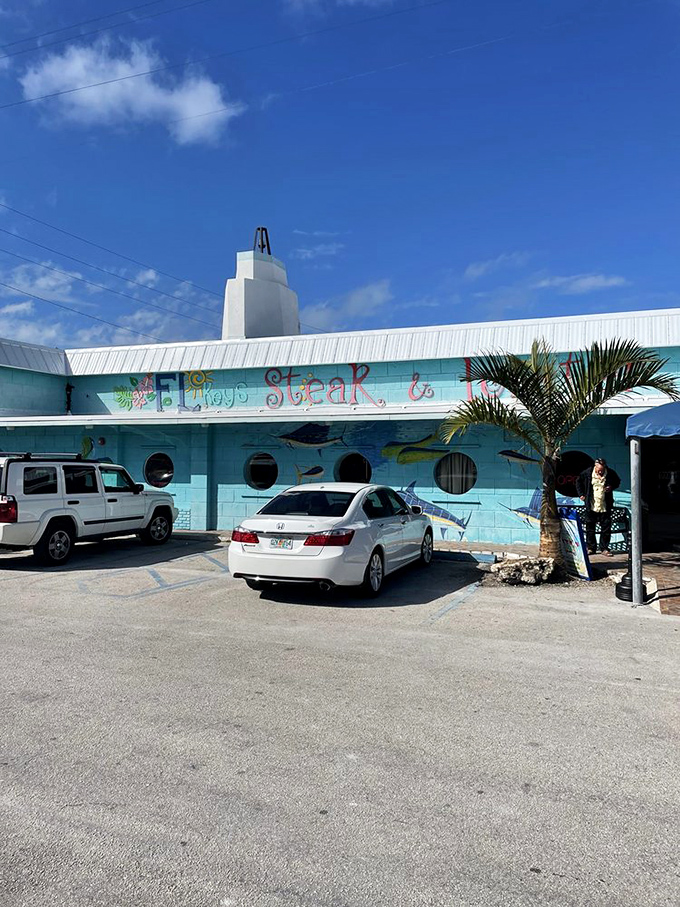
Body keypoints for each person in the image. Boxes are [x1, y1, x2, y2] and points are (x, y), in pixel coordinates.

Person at [576, 458, 621, 557]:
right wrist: (581, 494)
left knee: (606, 528)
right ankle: (591, 548)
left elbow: (617, 482)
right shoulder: (587, 473)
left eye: (602, 470)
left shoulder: (610, 473)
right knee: (590, 528)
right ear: (595, 467)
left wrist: (611, 487)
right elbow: (578, 482)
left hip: (605, 505)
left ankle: (604, 548)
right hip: (591, 505)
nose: (600, 472)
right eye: (598, 470)